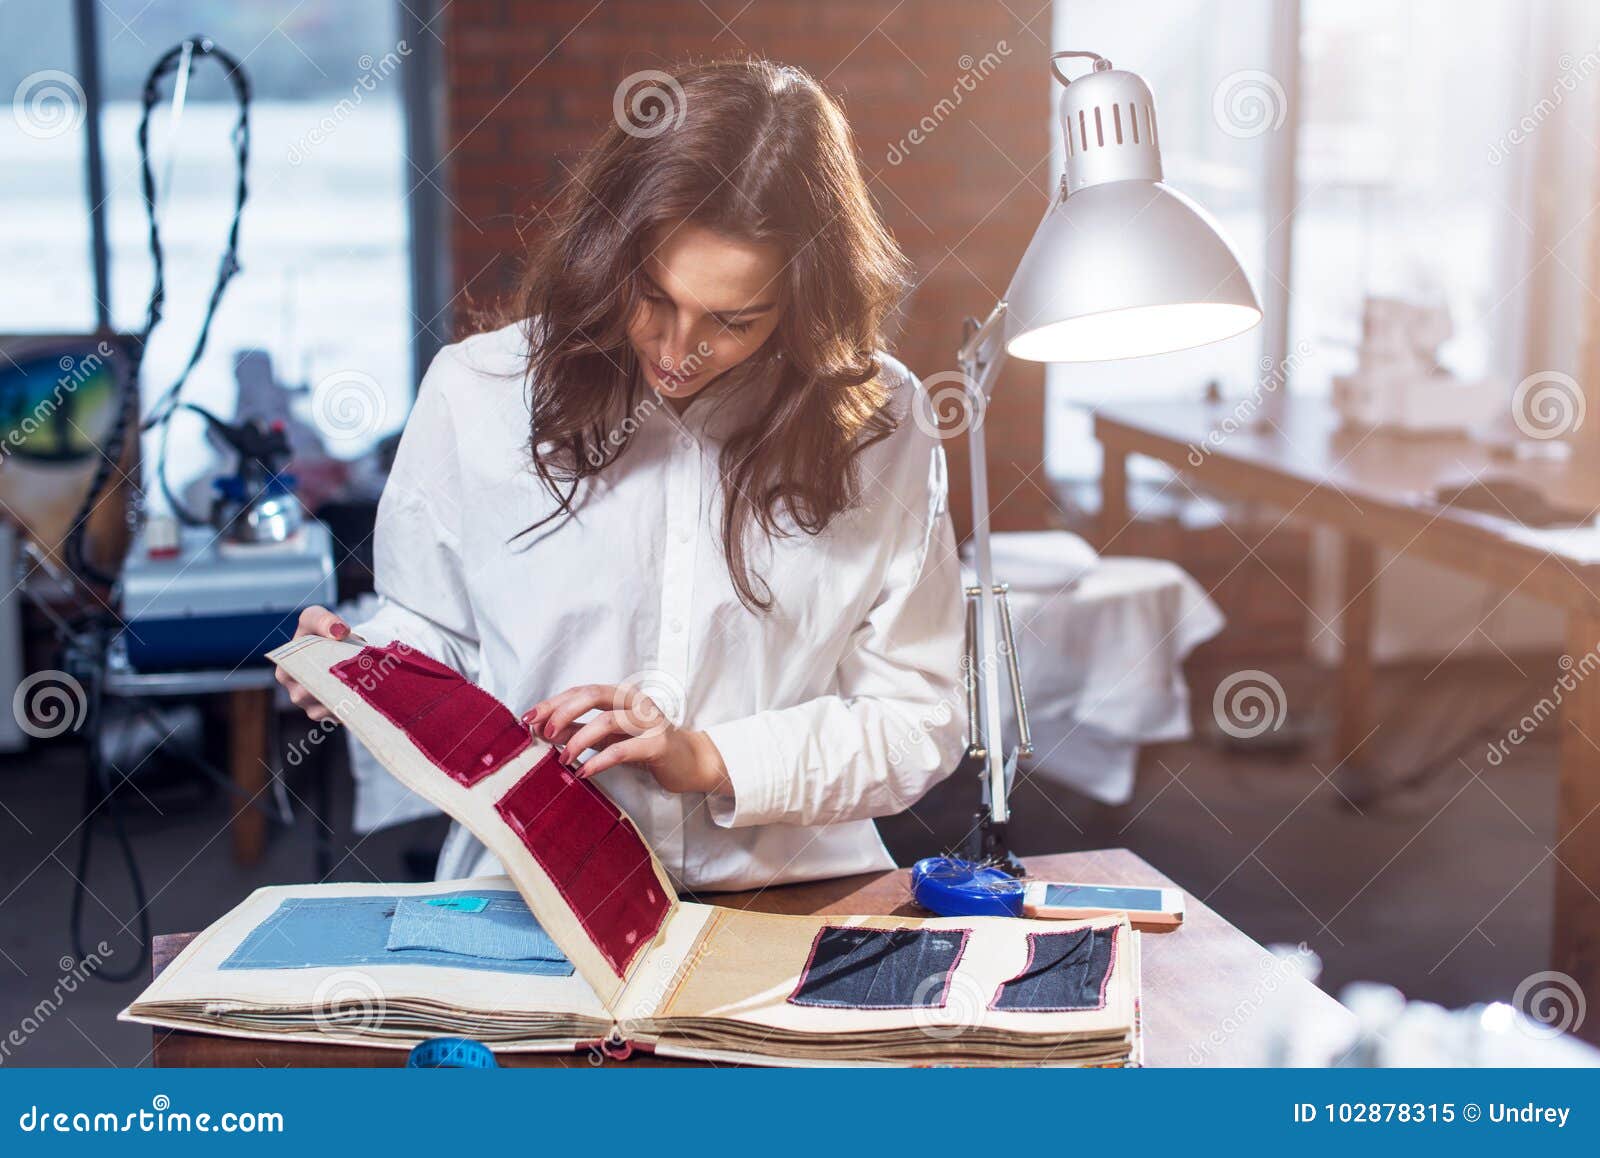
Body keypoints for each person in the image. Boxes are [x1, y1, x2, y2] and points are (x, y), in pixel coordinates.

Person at [275, 59, 966, 891]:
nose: (679, 351)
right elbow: (439, 633)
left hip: (795, 893)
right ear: (608, 251)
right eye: (653, 297)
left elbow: (920, 717)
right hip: (534, 891)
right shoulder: (478, 390)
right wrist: (363, 669)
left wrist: (708, 758)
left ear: (805, 300)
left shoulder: (881, 420)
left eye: (734, 321)